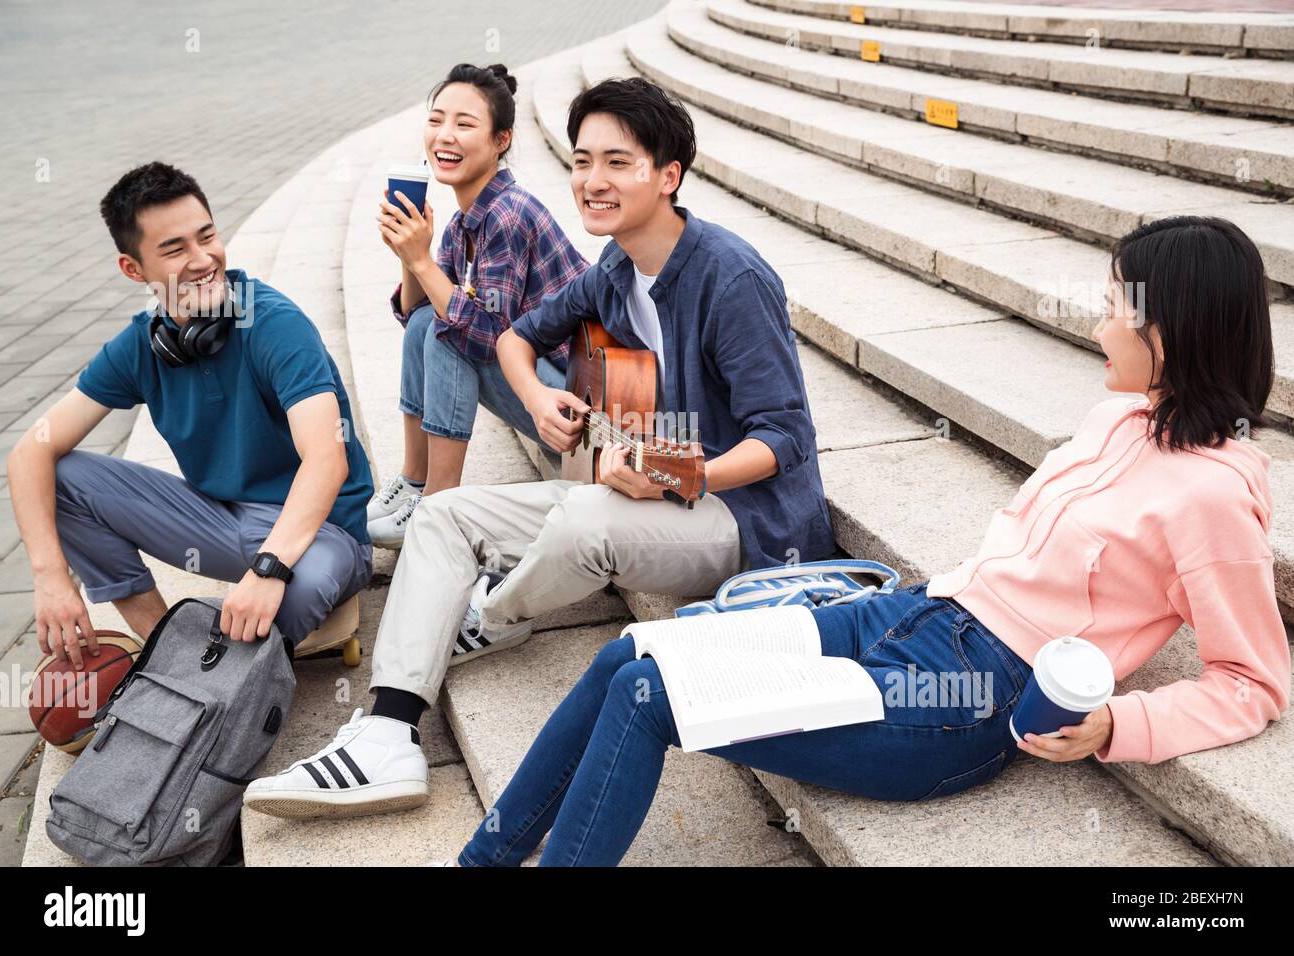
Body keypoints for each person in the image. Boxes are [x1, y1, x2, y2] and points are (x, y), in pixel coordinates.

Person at [436, 215, 1292, 866]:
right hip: (910, 615)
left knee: (651, 698)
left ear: (1170, 331)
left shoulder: (1214, 498)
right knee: (626, 654)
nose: (1098, 325)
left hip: (965, 696)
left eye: (1114, 310)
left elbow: (1253, 682)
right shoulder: (1121, 418)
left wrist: (1116, 723)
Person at [242, 77, 834, 820]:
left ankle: (494, 611)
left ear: (669, 176)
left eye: (618, 163)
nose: (592, 181)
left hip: (742, 518)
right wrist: (538, 397)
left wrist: (677, 473)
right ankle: (387, 734)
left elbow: (786, 438)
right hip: (635, 488)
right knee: (443, 517)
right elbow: (517, 337)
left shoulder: (730, 275)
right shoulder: (617, 267)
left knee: (581, 521)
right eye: (583, 162)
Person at [8, 162, 375, 669]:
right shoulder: (140, 345)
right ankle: (168, 650)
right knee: (62, 477)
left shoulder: (275, 324)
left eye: (207, 236)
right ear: (133, 270)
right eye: (175, 249)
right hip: (222, 521)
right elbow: (31, 450)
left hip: (324, 534)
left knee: (305, 581)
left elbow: (327, 459)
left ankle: (224, 673)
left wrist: (269, 569)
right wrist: (50, 576)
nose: (204, 259)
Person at [366, 62, 588, 548]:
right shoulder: (466, 217)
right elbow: (414, 313)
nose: (444, 135)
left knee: (451, 335)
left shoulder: (507, 215)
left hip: (572, 404)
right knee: (430, 320)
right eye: (436, 119)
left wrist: (423, 260)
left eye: (464, 124)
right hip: (539, 384)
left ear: (501, 140)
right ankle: (414, 481)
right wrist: (410, 255)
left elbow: (484, 335)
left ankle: (438, 505)